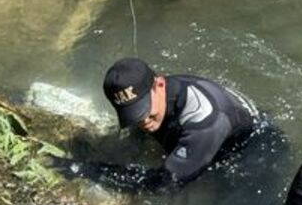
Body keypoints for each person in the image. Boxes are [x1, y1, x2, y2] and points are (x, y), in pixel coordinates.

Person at [49, 57, 263, 191]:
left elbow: (163, 184)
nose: (143, 122)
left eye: (146, 112)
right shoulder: (158, 91)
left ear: (159, 84)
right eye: (133, 116)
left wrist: (87, 169)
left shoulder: (204, 122)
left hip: (253, 152)